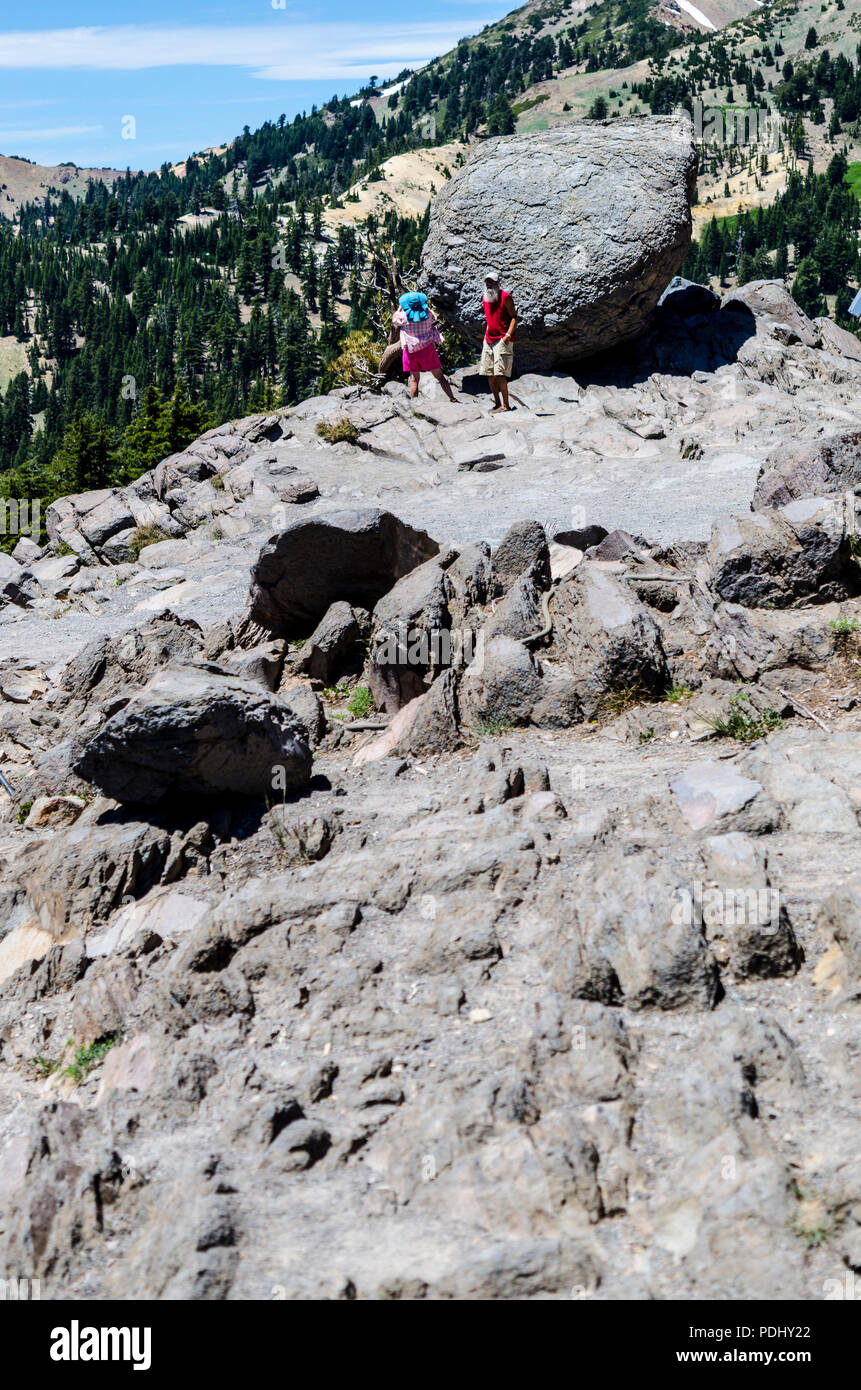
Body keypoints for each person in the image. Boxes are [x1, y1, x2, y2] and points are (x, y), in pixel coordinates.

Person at [392, 291, 457, 401]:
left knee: (414, 380)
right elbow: (434, 318)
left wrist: (399, 308)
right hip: (427, 349)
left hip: (411, 351)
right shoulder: (427, 314)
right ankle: (452, 398)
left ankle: (414, 405)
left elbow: (394, 320)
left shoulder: (403, 317)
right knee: (440, 377)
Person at [480, 270, 517, 411]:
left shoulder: (506, 297)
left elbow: (514, 317)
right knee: (489, 374)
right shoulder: (485, 297)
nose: (489, 284)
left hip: (502, 339)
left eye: (492, 281)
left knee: (500, 374)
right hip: (489, 339)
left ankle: (506, 405)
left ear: (498, 283)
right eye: (487, 281)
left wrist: (508, 336)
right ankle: (497, 403)